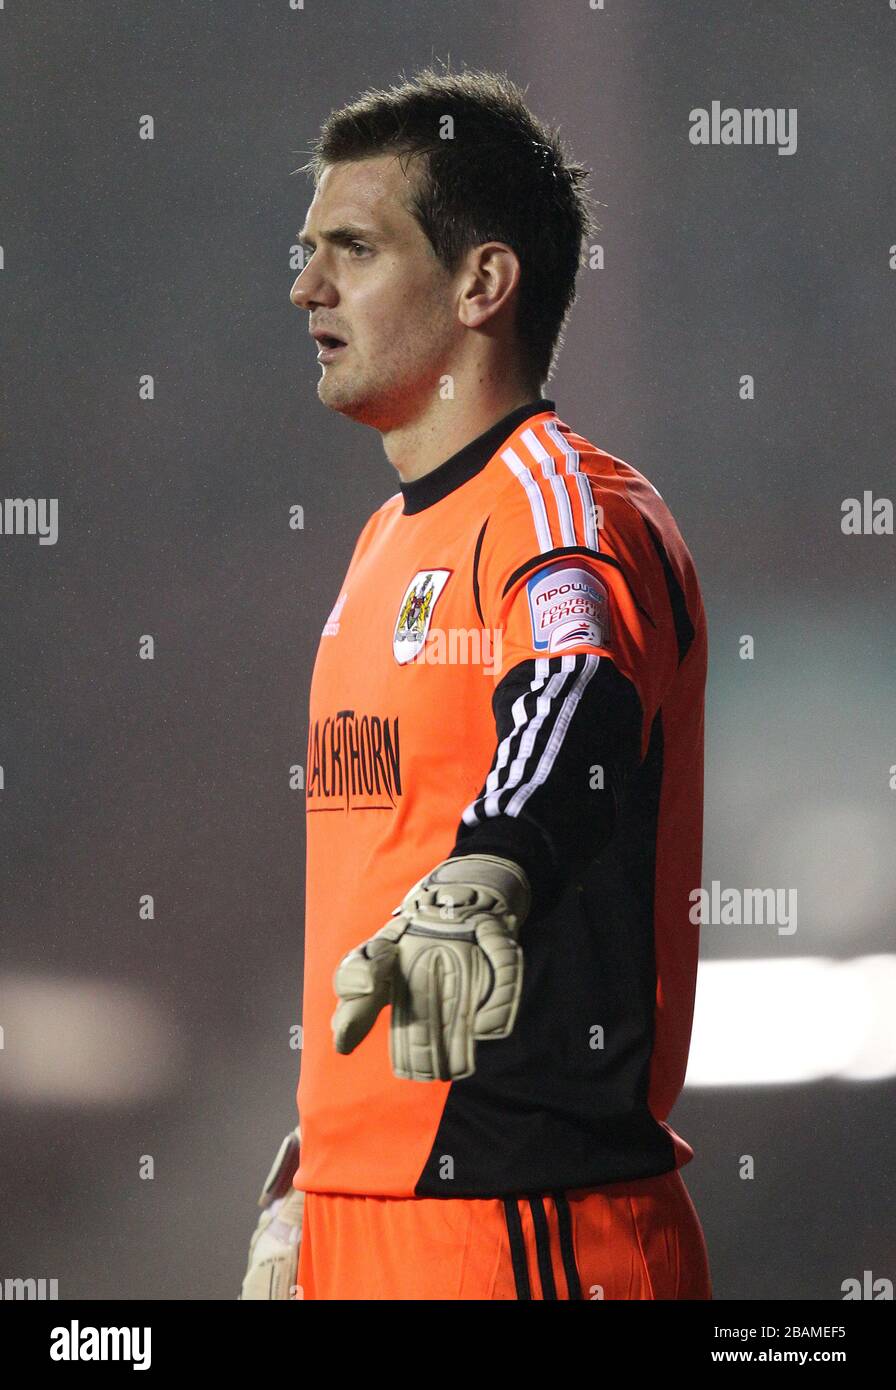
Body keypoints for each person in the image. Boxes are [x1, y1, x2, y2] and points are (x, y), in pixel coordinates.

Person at [242, 64, 711, 1301]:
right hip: (370, 1223)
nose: (305, 288)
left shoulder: (564, 507)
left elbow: (575, 695)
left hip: (522, 1233)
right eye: (306, 251)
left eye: (350, 248)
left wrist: (489, 865)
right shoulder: (384, 542)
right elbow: (389, 879)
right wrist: (322, 1176)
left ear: (480, 282)